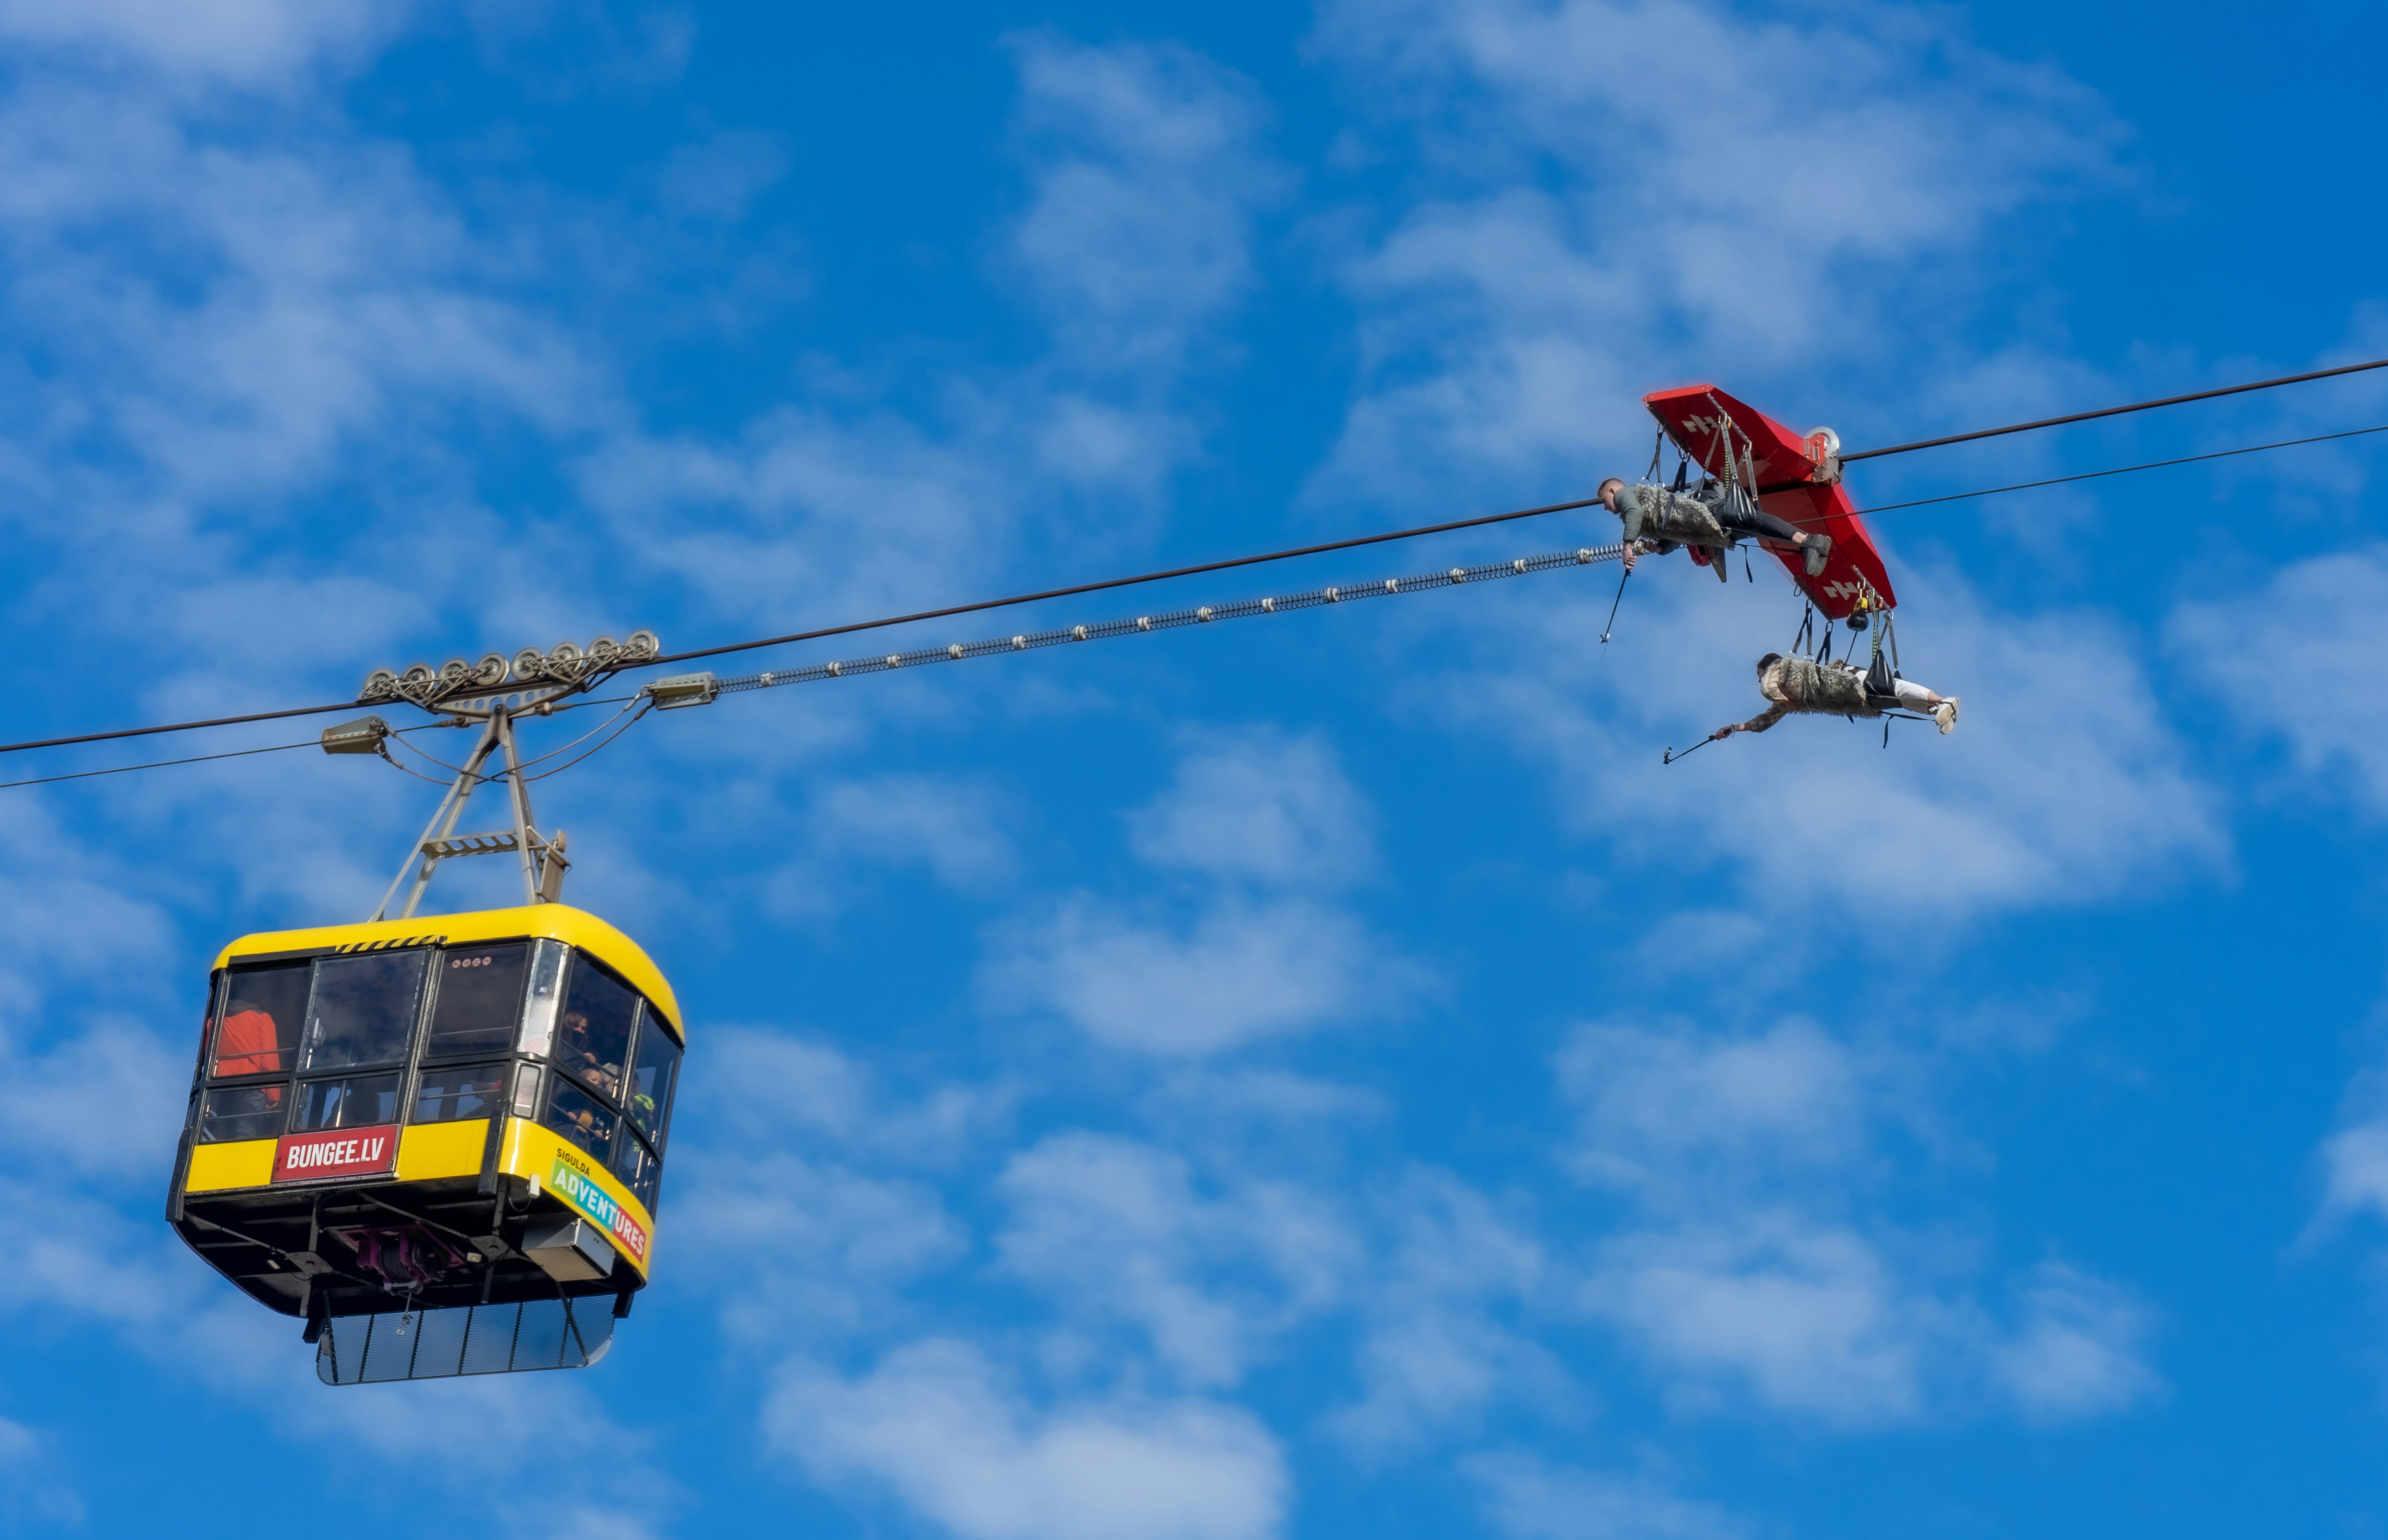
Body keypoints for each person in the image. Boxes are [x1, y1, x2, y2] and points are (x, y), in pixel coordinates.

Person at [1598, 477, 1832, 576]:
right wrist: (1659, 548)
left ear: (1611, 491)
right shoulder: (1642, 513)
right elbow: (1676, 537)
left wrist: (1628, 545)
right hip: (1704, 527)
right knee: (1755, 526)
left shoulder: (1624, 495)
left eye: (1604, 502)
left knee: (1753, 520)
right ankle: (1808, 544)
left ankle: (1808, 540)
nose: (1606, 508)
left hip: (1702, 512)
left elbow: (1634, 512)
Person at [1711, 651, 1960, 739]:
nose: (1759, 680)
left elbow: (1768, 688)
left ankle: (1943, 701)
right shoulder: (1786, 699)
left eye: (1759, 674)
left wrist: (1787, 701)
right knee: (1900, 700)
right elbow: (1764, 722)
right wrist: (1734, 728)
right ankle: (1939, 710)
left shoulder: (1779, 669)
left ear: (1767, 667)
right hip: (1854, 700)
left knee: (1895, 688)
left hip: (1847, 680)